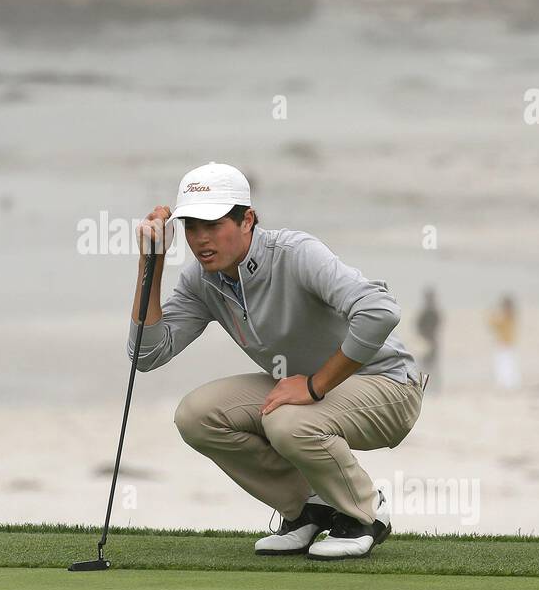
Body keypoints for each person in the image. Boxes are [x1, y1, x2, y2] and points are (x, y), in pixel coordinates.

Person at [129, 161, 427, 560]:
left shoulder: (295, 253)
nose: (201, 239)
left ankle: (365, 514)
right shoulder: (202, 281)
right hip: (306, 389)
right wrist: (152, 263)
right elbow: (147, 355)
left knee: (286, 420)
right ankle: (309, 508)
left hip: (389, 385)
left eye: (213, 224)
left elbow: (380, 311)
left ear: (248, 219)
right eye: (192, 227)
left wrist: (313, 385)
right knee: (196, 415)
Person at [487, 294, 521, 390]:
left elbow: (494, 324)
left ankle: (507, 383)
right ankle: (510, 383)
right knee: (508, 364)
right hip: (508, 342)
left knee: (504, 364)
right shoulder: (511, 315)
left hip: (504, 343)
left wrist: (492, 313)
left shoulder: (506, 316)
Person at [415, 287, 443, 393]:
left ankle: (430, 387)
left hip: (427, 340)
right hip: (431, 340)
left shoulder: (427, 310)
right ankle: (433, 387)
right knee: (430, 366)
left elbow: (417, 325)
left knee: (426, 365)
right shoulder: (434, 310)